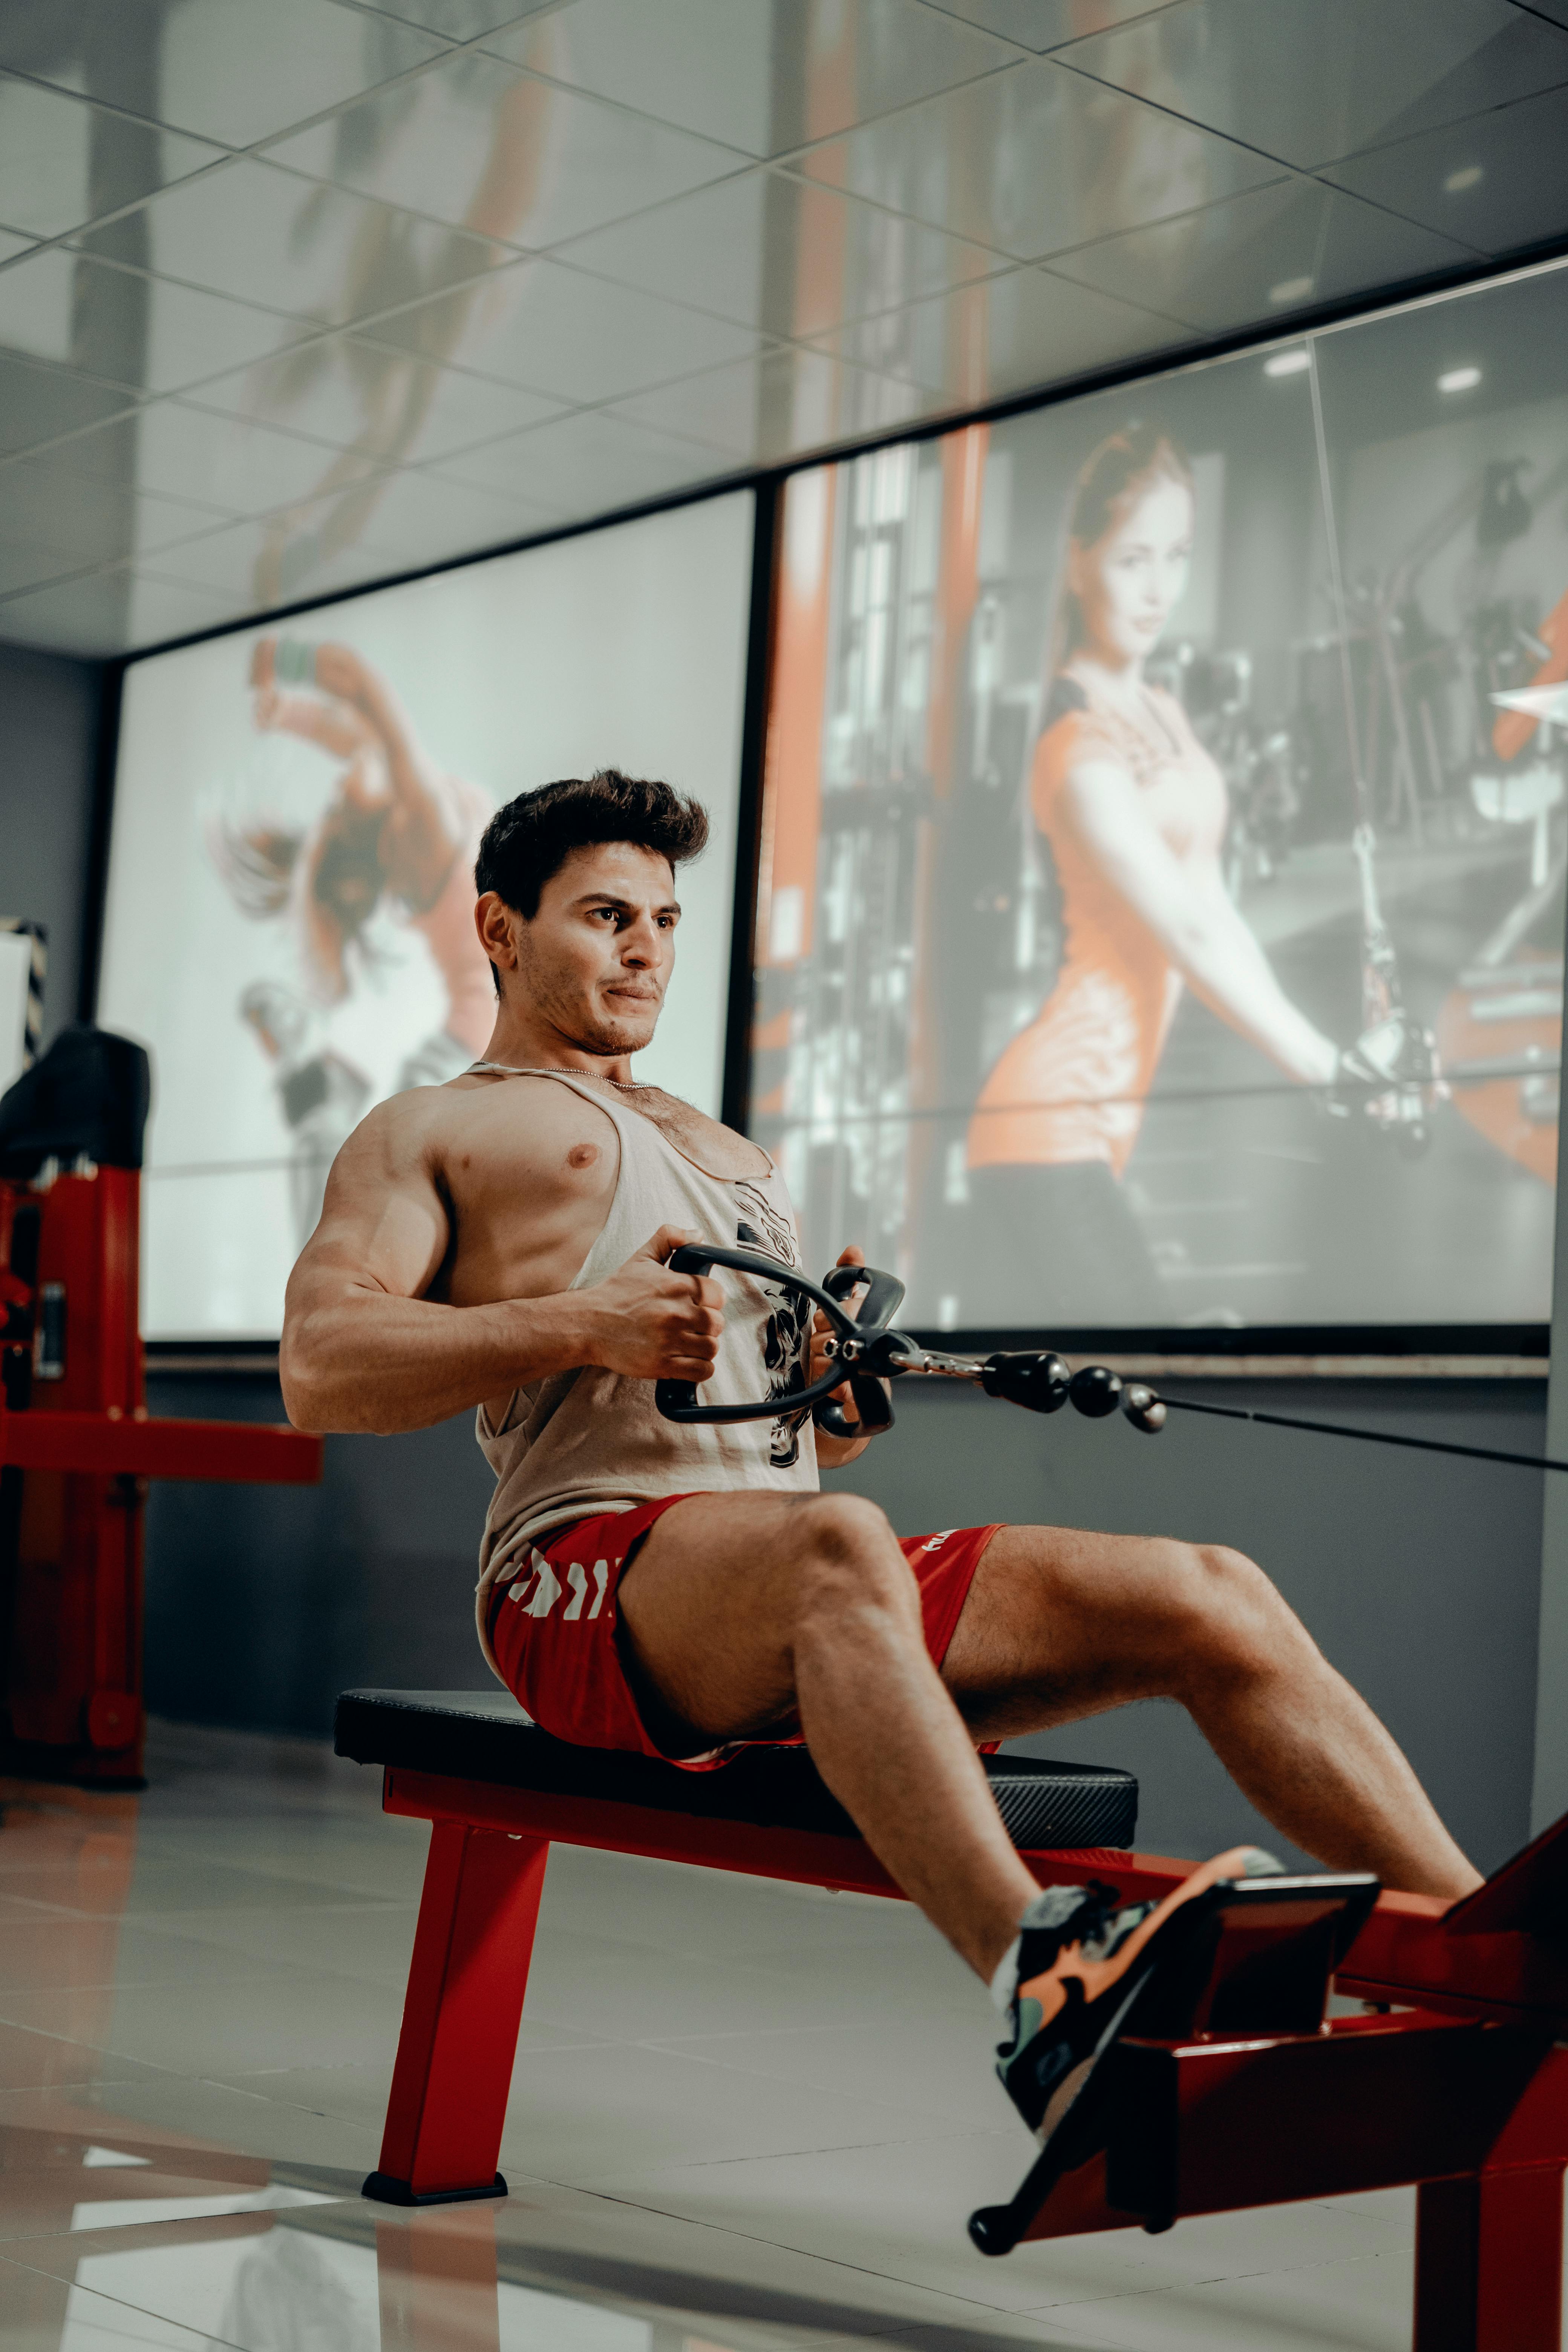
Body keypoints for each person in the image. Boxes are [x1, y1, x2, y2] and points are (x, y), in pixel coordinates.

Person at [280, 768, 1479, 2159]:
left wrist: (829, 1398)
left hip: (777, 1574)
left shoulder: (724, 1149)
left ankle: (1480, 1938)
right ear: (498, 928)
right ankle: (1040, 1977)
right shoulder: (433, 1130)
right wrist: (581, 1324)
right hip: (585, 1577)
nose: (645, 950)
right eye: (606, 915)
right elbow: (321, 1368)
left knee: (1212, 1590)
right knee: (841, 1545)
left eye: (665, 920)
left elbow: (784, 1432)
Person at [965, 422, 1430, 1321]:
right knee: (1153, 1399)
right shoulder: (1074, 743)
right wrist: (1330, 1071)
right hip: (1043, 1121)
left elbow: (1215, 905)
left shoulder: (1164, 712)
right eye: (1134, 557)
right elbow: (1181, 929)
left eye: (1175, 555)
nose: (1159, 588)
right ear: (1078, 562)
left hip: (1096, 1132)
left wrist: (1341, 1058)